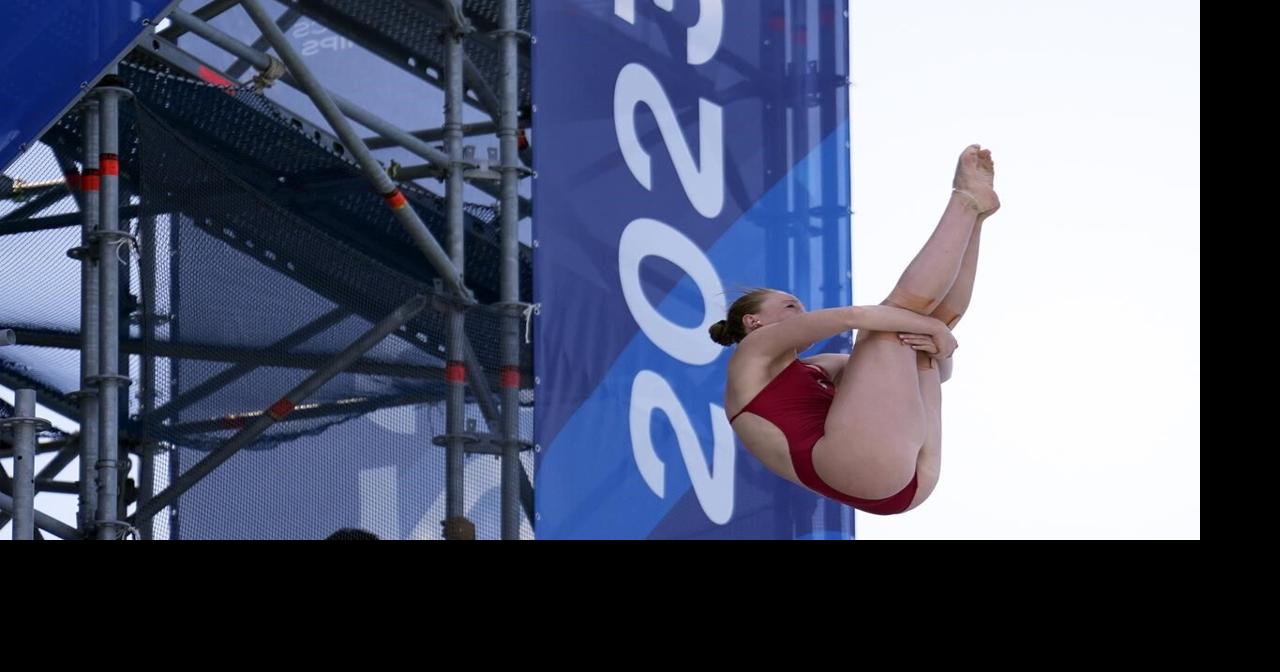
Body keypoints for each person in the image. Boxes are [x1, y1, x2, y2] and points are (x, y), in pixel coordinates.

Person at [709, 144, 999, 515]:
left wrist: (939, 342)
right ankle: (965, 201)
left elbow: (931, 371)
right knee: (890, 321)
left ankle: (975, 219)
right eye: (790, 306)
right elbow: (854, 317)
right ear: (754, 321)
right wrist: (936, 333)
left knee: (911, 337)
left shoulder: (819, 367)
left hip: (903, 482)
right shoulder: (752, 353)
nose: (803, 313)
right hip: (865, 468)